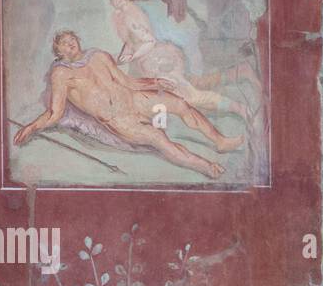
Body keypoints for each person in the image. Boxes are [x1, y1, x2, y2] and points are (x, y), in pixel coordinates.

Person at [14, 30, 242, 180]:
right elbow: (55, 112)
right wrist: (31, 128)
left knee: (181, 105)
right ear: (58, 51)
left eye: (71, 38)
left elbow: (126, 81)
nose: (69, 42)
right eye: (63, 42)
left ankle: (220, 141)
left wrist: (154, 82)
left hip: (135, 99)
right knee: (158, 139)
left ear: (78, 40)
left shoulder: (99, 56)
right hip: (119, 119)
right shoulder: (61, 74)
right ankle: (204, 166)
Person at [101, 0, 252, 121]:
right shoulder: (119, 14)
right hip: (142, 62)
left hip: (156, 60)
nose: (111, 2)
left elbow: (149, 41)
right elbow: (131, 40)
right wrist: (124, 56)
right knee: (149, 95)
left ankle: (239, 108)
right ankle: (237, 75)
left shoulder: (131, 16)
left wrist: (132, 57)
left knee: (190, 96)